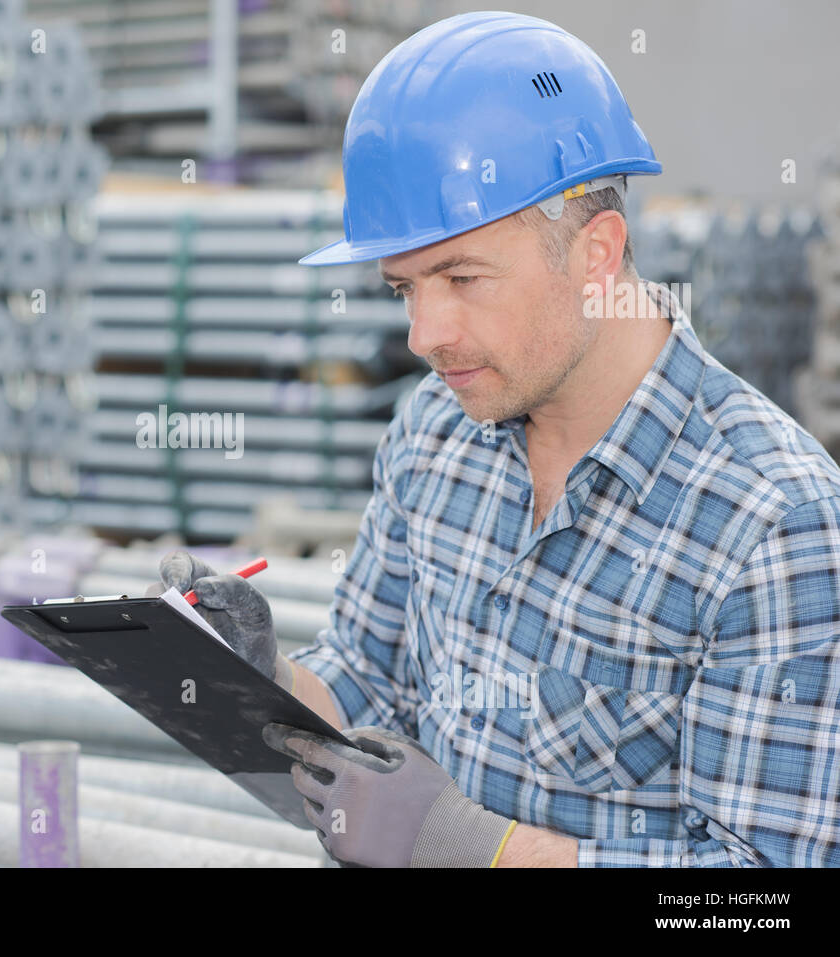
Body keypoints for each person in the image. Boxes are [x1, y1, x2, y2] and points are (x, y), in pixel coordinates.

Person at [160, 10, 840, 867]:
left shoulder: (773, 525)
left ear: (597, 254)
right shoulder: (437, 433)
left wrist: (471, 846)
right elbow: (374, 682)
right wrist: (266, 681)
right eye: (404, 286)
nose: (424, 333)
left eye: (462, 277)